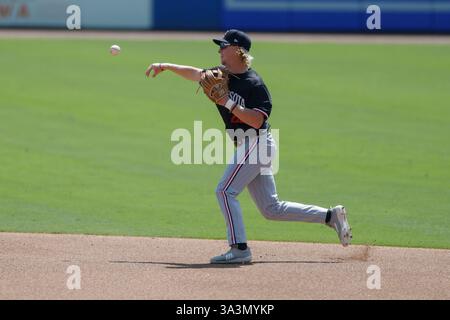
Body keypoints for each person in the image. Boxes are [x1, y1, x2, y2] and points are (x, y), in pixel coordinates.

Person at [145, 29, 352, 264]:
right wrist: (166, 66)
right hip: (250, 145)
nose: (220, 49)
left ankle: (239, 248)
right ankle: (330, 216)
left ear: (237, 51)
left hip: (258, 142)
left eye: (224, 46)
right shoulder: (221, 73)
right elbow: (196, 74)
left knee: (225, 191)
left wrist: (227, 102)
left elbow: (257, 120)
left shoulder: (255, 84)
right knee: (271, 208)